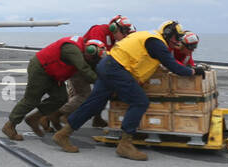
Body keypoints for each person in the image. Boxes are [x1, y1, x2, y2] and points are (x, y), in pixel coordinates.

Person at [54, 20, 208, 159]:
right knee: (140, 101)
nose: (178, 41)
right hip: (116, 69)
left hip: (107, 65)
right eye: (176, 37)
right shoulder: (157, 43)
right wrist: (194, 71)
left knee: (93, 103)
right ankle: (125, 145)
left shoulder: (149, 36)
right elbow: (174, 66)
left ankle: (63, 133)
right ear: (168, 34)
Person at [2, 35, 103, 141]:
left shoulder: (83, 49)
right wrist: (100, 82)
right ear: (90, 51)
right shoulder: (73, 49)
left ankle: (34, 118)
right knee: (31, 100)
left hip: (53, 73)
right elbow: (84, 68)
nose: (93, 61)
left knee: (60, 98)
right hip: (40, 69)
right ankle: (10, 125)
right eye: (94, 58)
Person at [48, 15, 135, 129]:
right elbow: (96, 55)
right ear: (114, 28)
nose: (125, 37)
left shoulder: (115, 39)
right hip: (81, 68)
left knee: (104, 90)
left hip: (93, 68)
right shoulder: (99, 31)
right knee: (83, 96)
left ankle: (96, 118)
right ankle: (54, 115)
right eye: (124, 32)